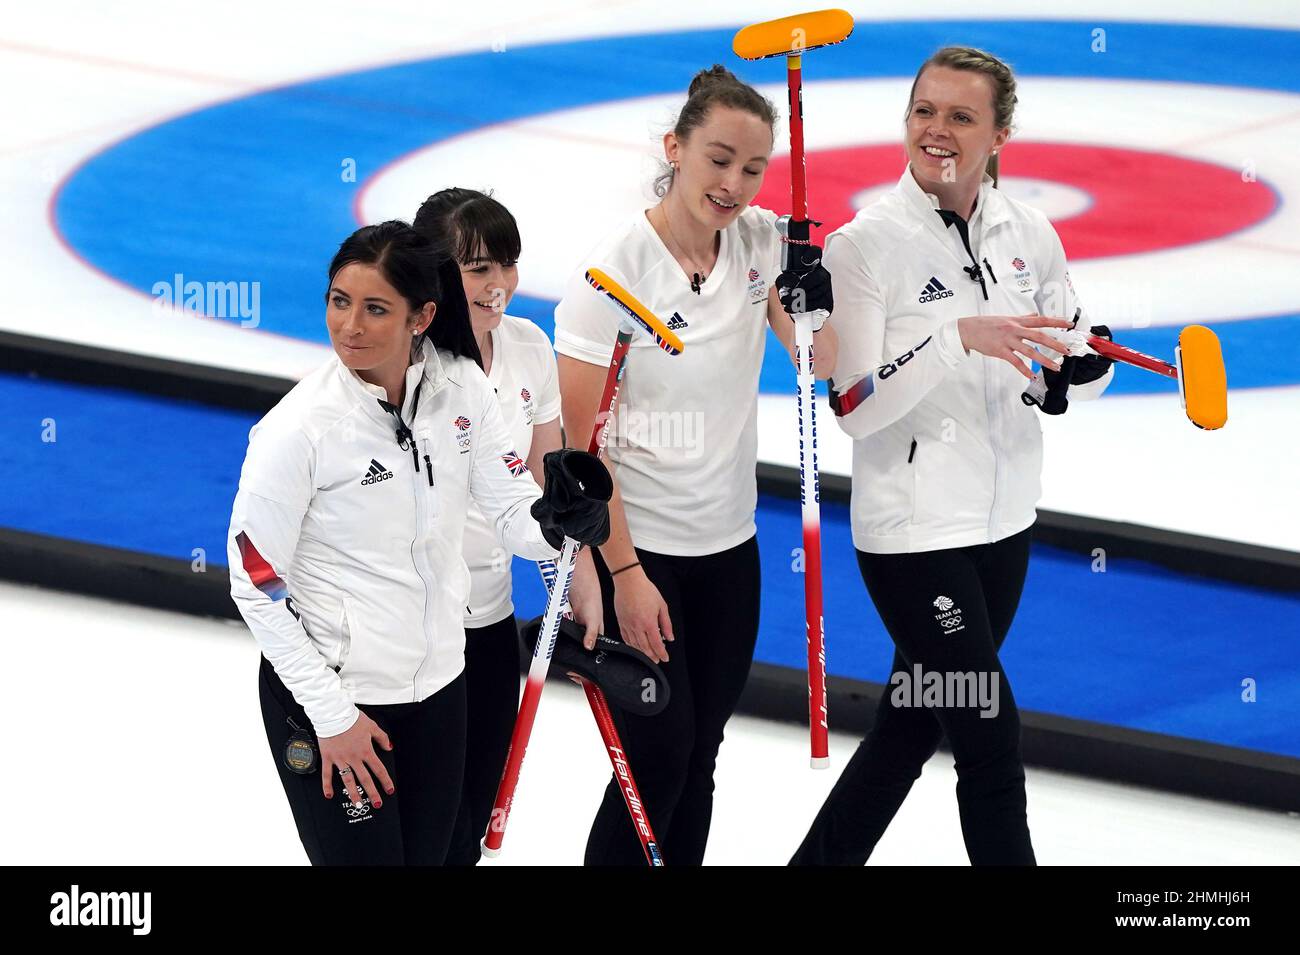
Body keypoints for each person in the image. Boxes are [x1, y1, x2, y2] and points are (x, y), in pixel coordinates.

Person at [790, 46, 1113, 866]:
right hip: (913, 536)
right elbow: (853, 406)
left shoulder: (1028, 232)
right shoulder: (866, 247)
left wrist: (1082, 369)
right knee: (990, 736)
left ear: (1000, 133)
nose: (936, 131)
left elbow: (1060, 358)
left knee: (910, 725)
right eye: (924, 111)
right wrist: (957, 339)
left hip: (1003, 523)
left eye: (960, 117)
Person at [228, 220, 610, 865]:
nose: (349, 325)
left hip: (439, 687)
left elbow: (509, 510)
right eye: (339, 301)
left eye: (375, 308)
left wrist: (557, 524)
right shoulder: (297, 431)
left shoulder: (462, 389)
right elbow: (258, 585)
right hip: (336, 701)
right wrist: (333, 718)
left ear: (422, 316)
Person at [554, 64, 838, 866]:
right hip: (639, 552)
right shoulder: (614, 275)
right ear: (675, 148)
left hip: (729, 546)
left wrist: (815, 300)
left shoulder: (759, 244)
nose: (735, 184)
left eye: (753, 168)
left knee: (701, 755)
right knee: (656, 758)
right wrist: (626, 571)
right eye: (718, 160)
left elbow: (822, 364)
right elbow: (581, 452)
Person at [411, 188, 603, 866]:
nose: (499, 286)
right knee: (427, 827)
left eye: (507, 264)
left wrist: (581, 577)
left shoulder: (528, 346)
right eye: (478, 269)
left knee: (469, 818)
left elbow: (544, 486)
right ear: (434, 274)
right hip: (412, 627)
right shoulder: (410, 369)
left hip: (489, 618)